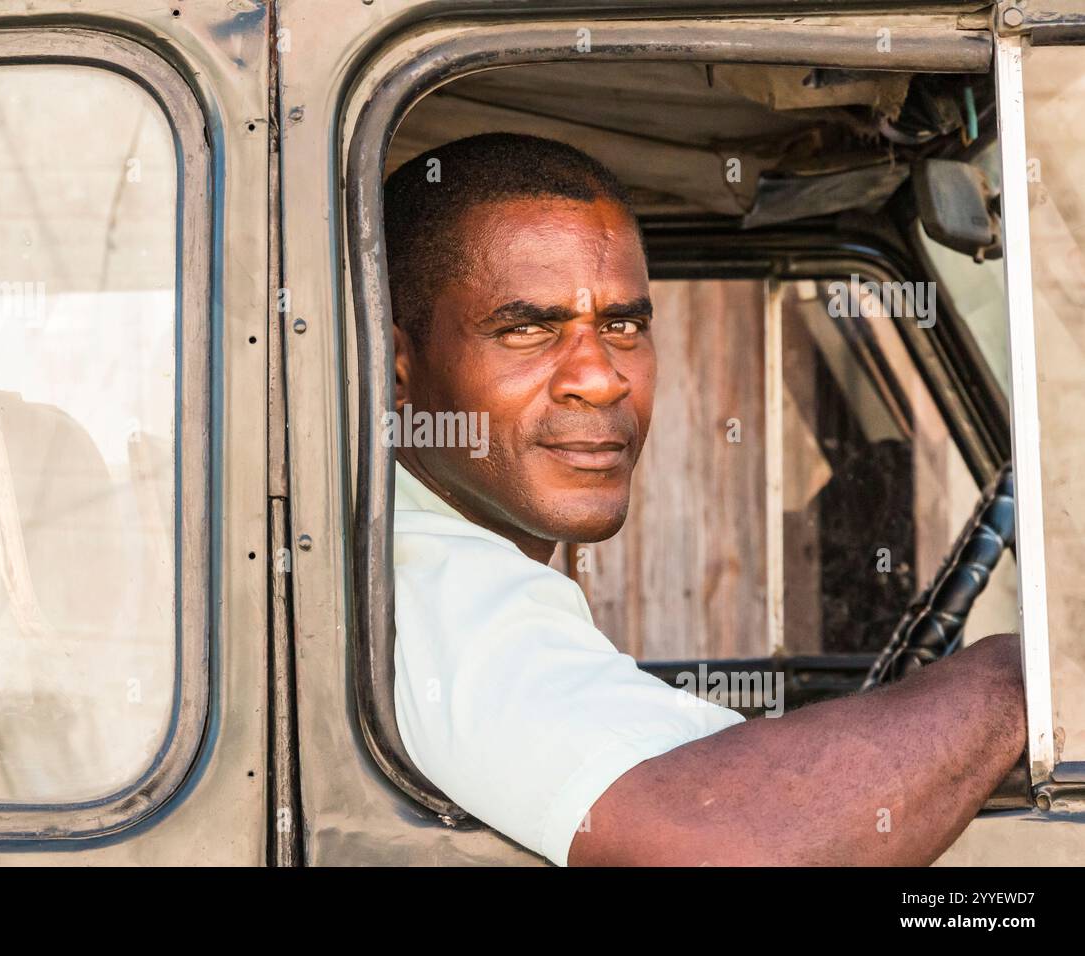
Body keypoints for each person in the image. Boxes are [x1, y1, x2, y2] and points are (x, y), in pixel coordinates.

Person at [385, 132, 1028, 867]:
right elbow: (730, 852)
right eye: (528, 329)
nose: (600, 379)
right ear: (400, 372)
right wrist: (1012, 678)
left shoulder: (439, 562)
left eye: (622, 325)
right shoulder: (436, 589)